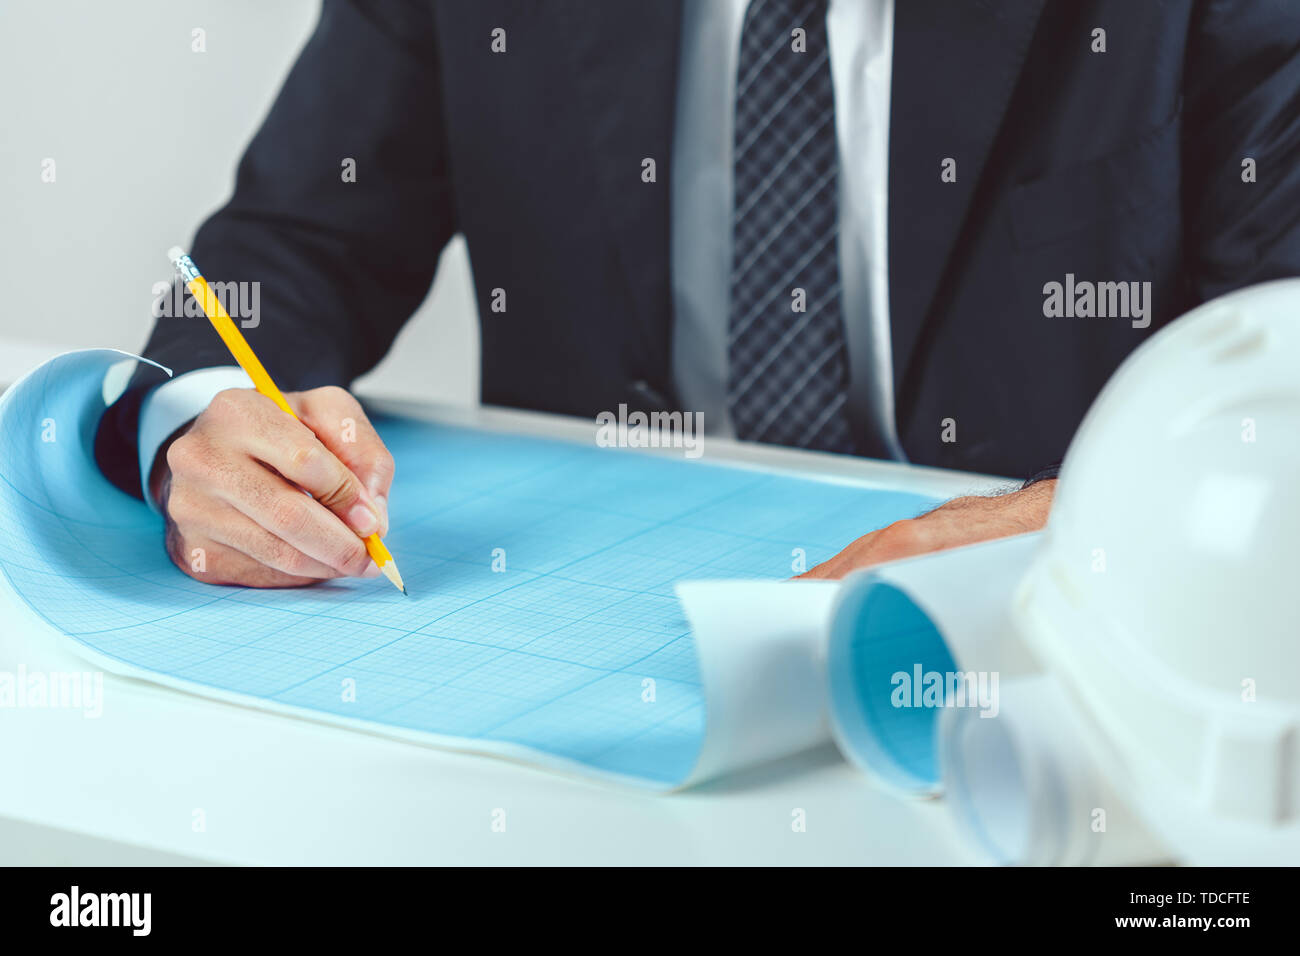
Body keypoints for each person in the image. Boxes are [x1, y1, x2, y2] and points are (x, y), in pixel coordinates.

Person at [95, 0, 1300, 587]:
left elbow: (1283, 379)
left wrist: (1080, 523)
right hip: (570, 623)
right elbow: (292, 241)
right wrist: (201, 419)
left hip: (1039, 672)